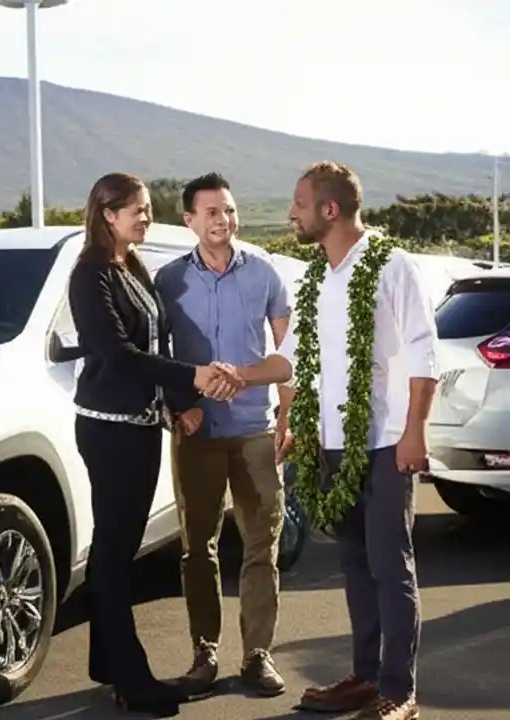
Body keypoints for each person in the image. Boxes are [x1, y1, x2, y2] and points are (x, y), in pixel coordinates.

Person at [236, 162, 437, 720]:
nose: (291, 213)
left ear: (329, 209)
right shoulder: (318, 280)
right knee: (353, 565)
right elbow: (292, 360)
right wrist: (241, 377)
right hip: (331, 445)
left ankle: (399, 691)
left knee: (390, 567)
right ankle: (365, 677)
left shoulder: (393, 265)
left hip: (387, 441)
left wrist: (415, 431)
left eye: (299, 203)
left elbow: (424, 355)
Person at [69, 172, 243, 717]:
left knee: (114, 548)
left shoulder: (131, 266)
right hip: (109, 429)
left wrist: (177, 403)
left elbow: (153, 342)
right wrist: (194, 376)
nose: (146, 217)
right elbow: (119, 355)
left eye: (147, 209)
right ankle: (133, 679)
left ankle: (107, 663)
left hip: (141, 424)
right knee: (117, 554)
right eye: (137, 211)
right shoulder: (90, 275)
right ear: (107, 214)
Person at [153, 172, 292, 699]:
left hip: (255, 431)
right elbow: (156, 358)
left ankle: (258, 655)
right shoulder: (167, 281)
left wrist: (288, 416)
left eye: (228, 210)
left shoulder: (264, 274)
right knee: (197, 549)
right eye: (210, 212)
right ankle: (203, 653)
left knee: (262, 546)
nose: (222, 220)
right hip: (197, 432)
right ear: (189, 220)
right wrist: (178, 406)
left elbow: (288, 355)